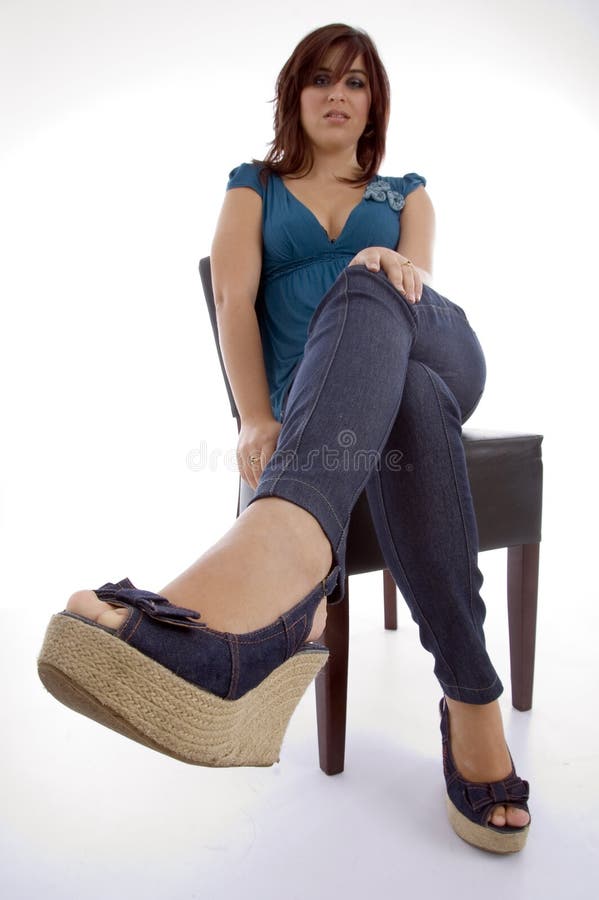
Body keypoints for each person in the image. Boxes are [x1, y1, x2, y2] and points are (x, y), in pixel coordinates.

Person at [38, 23, 531, 854]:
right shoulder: (252, 187)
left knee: (375, 282)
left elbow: (416, 285)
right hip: (332, 408)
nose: (337, 94)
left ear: (373, 103)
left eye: (355, 81)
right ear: (294, 95)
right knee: (404, 393)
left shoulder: (406, 194)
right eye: (320, 79)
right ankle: (472, 699)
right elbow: (233, 302)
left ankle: (279, 565)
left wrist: (380, 264)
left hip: (436, 348)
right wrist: (256, 417)